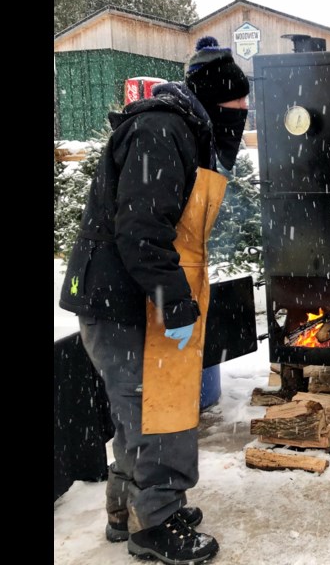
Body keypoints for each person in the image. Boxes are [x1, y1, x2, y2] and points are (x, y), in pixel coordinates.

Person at [59, 36, 250, 565]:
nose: (240, 121)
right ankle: (154, 524)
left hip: (132, 296)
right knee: (150, 411)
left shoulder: (181, 128)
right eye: (236, 111)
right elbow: (142, 230)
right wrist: (177, 302)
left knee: (138, 410)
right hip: (122, 301)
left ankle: (132, 508)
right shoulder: (162, 132)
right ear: (215, 104)